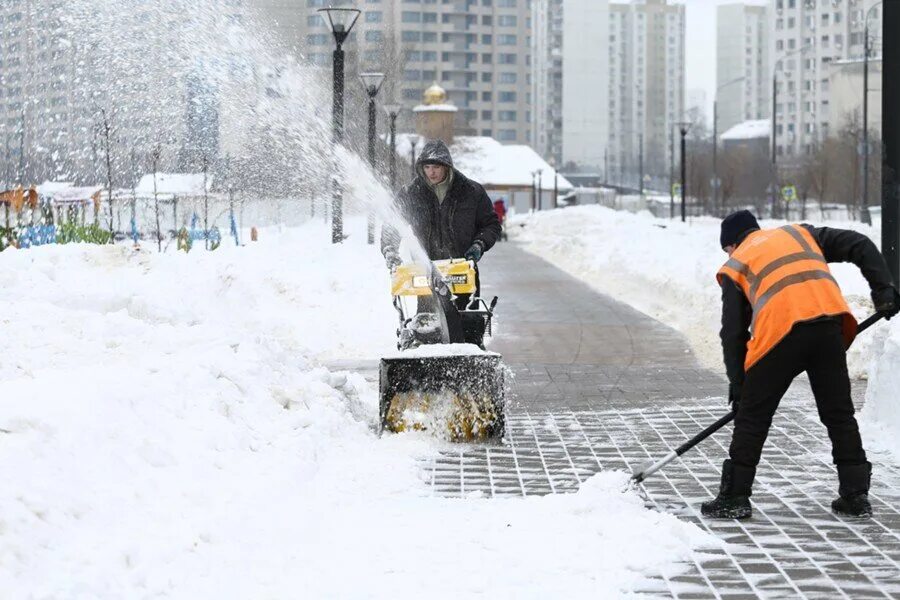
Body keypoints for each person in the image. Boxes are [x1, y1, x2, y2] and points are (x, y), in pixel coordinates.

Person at [702, 210, 900, 520]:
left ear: (730, 244)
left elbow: (733, 333)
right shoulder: (799, 233)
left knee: (753, 417)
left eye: (726, 248)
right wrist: (883, 290)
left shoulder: (735, 264)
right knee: (839, 414)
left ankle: (734, 496)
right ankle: (855, 495)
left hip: (781, 336)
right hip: (828, 326)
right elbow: (858, 243)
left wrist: (740, 385)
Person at [382, 138, 501, 298]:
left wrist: (479, 245)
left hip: (462, 272)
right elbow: (392, 223)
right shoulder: (411, 193)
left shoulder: (471, 192)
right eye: (427, 167)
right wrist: (391, 252)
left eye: (436, 167)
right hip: (425, 274)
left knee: (467, 320)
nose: (431, 172)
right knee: (429, 320)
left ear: (447, 167)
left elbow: (490, 224)